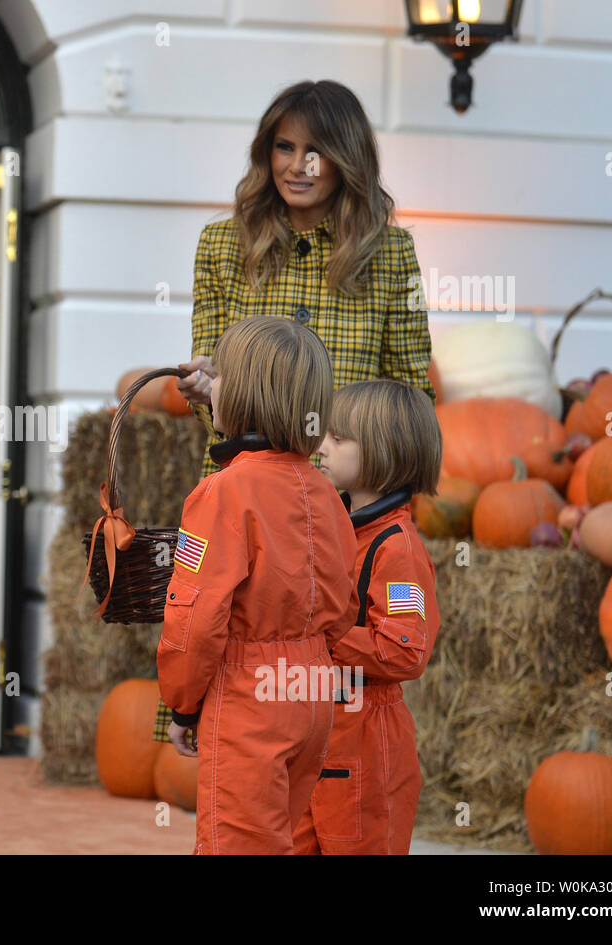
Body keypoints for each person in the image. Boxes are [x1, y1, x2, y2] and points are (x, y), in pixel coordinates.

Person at [157, 316, 359, 854]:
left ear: (241, 394)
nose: (209, 387)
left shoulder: (221, 492)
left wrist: (182, 704)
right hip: (312, 693)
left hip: (250, 697)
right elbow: (344, 607)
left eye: (218, 377)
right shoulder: (324, 492)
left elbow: (195, 616)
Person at [176, 80, 434, 479]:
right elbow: (210, 384)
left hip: (344, 497)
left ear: (347, 158)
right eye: (284, 147)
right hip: (243, 488)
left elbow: (408, 394)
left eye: (315, 151)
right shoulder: (221, 244)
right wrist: (205, 391)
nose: (297, 166)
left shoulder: (390, 253)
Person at [293, 380, 442, 855]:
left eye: (338, 439)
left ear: (384, 452)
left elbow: (404, 650)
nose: (321, 447)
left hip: (366, 738)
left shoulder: (398, 552)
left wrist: (323, 632)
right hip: (315, 725)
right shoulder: (334, 527)